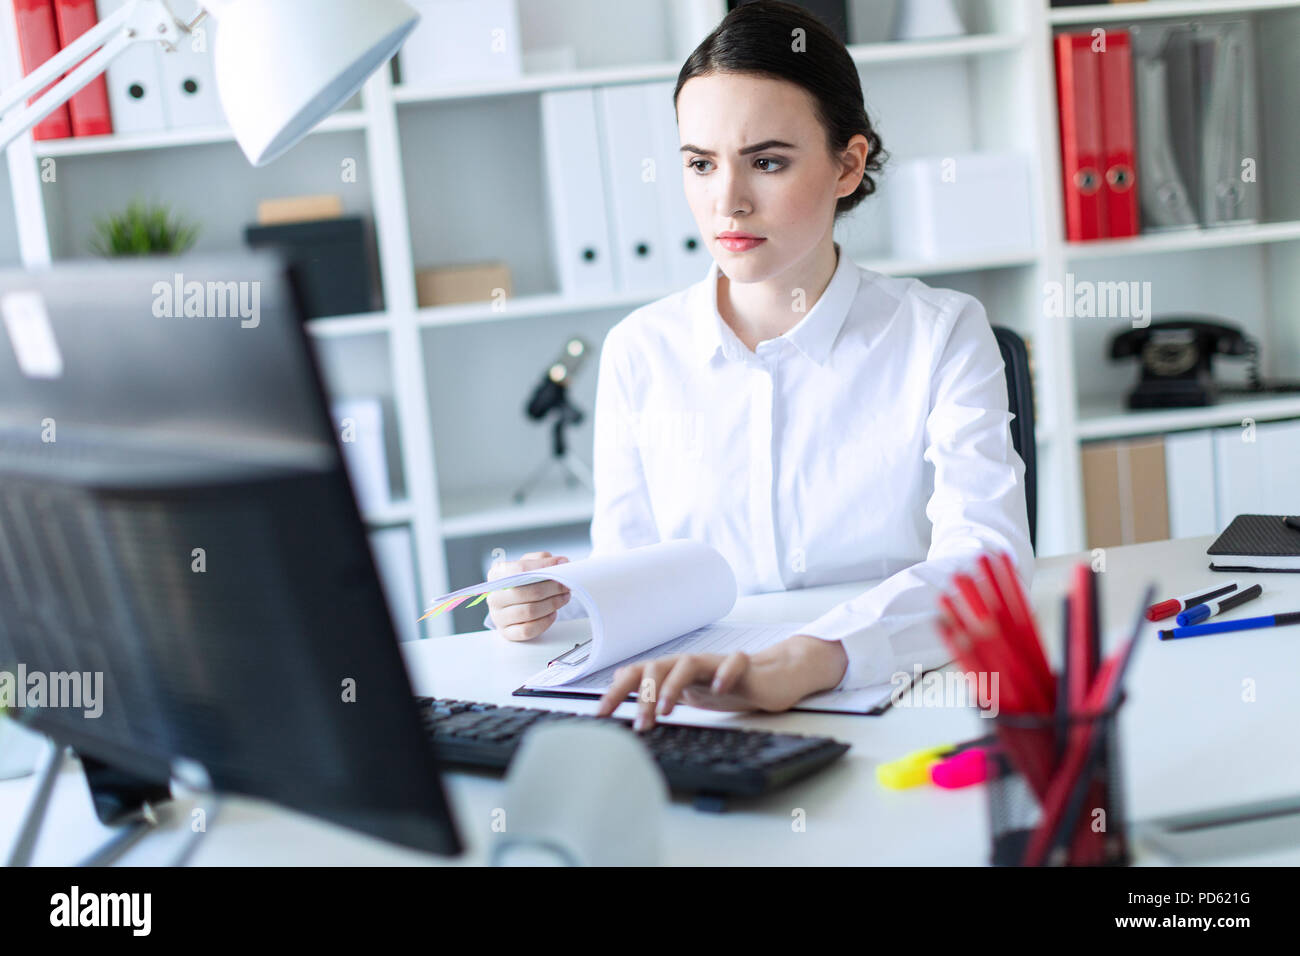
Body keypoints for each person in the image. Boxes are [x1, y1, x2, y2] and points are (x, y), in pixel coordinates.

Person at [485, 0, 1033, 729]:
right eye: (700, 164)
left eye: (767, 162)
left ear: (848, 164)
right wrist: (554, 600)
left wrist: (814, 657)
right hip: (695, 707)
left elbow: (989, 565)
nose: (728, 202)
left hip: (893, 695)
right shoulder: (639, 351)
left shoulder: (942, 332)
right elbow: (634, 576)